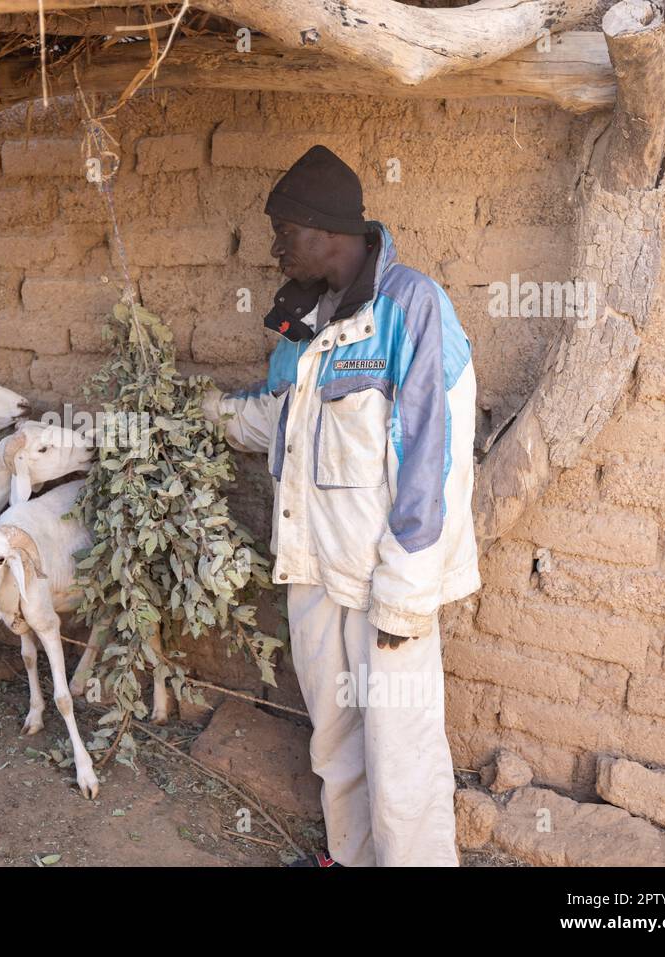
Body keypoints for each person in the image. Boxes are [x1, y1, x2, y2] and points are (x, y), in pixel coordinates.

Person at [202, 145, 480, 867]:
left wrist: (406, 597)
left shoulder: (411, 308)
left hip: (384, 587)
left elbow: (434, 459)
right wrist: (201, 414)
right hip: (316, 573)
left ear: (324, 229)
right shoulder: (305, 320)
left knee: (402, 755)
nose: (274, 248)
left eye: (282, 233)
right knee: (335, 741)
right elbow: (279, 419)